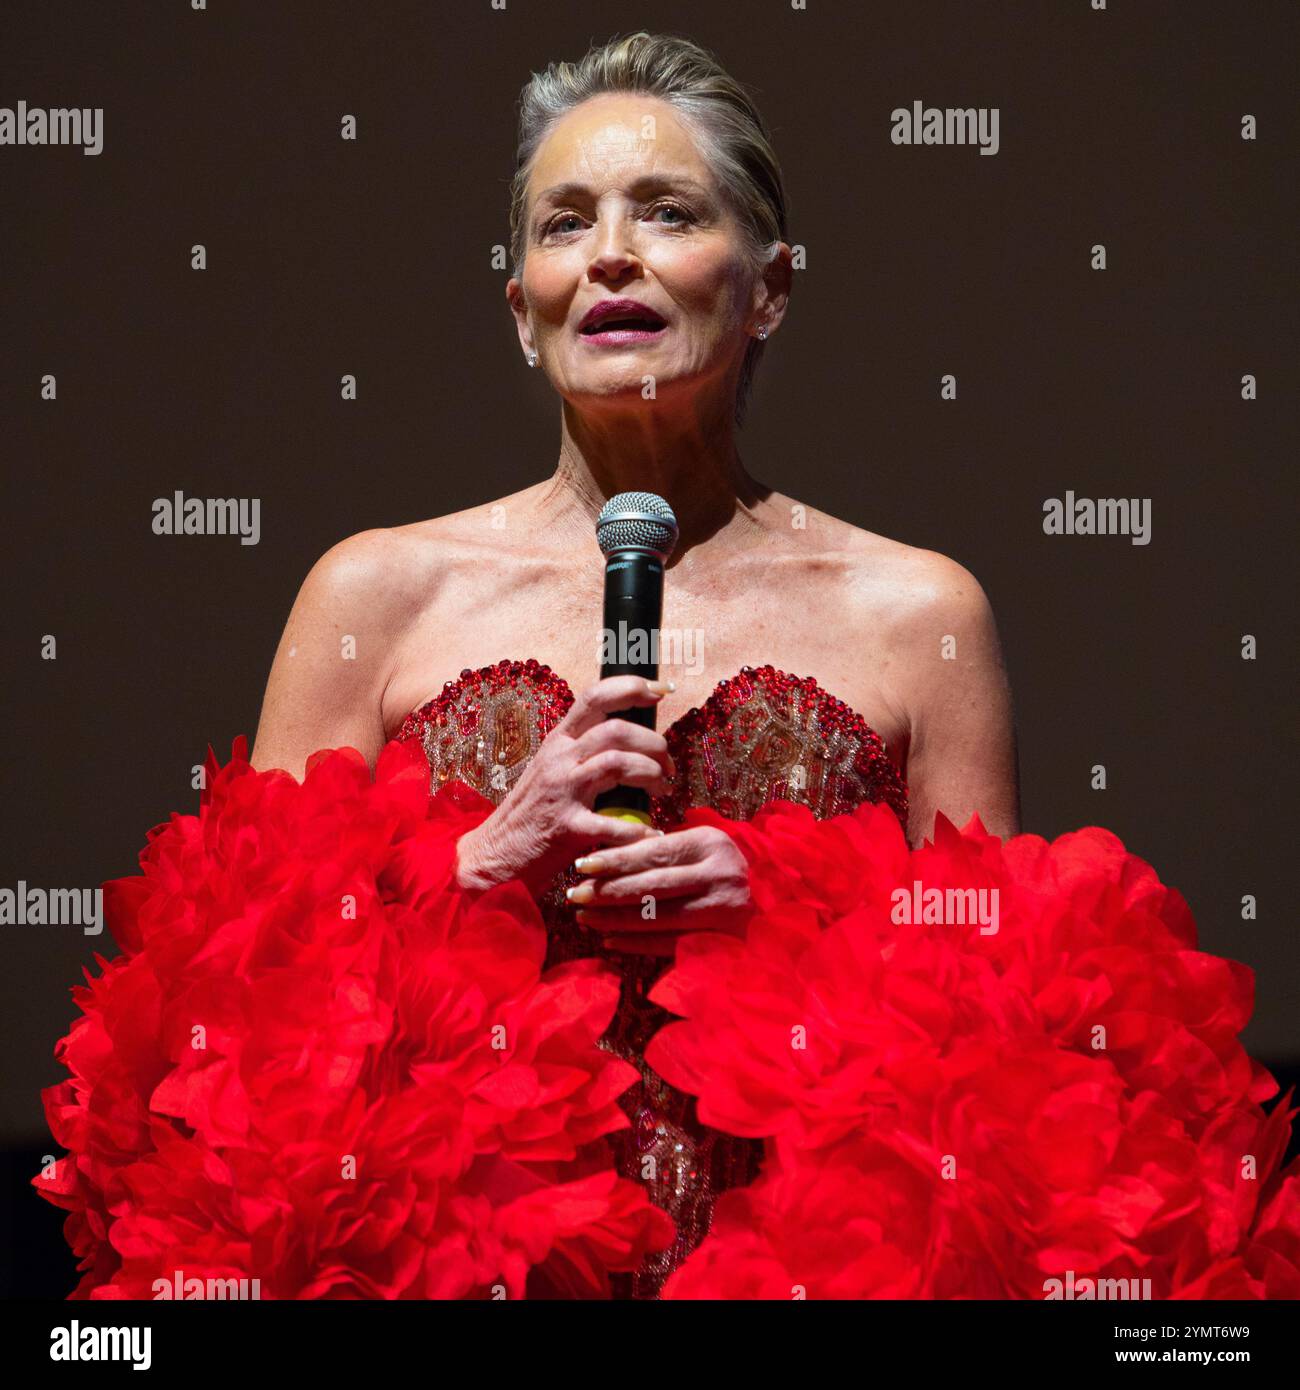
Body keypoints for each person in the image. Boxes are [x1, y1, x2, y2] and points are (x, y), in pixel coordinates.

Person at [37, 32, 1298, 1302]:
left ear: (771, 288)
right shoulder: (377, 591)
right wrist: (472, 861)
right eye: (564, 223)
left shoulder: (918, 611)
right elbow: (236, 990)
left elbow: (1008, 1029)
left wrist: (798, 905)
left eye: (667, 212)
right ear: (518, 308)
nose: (610, 254)